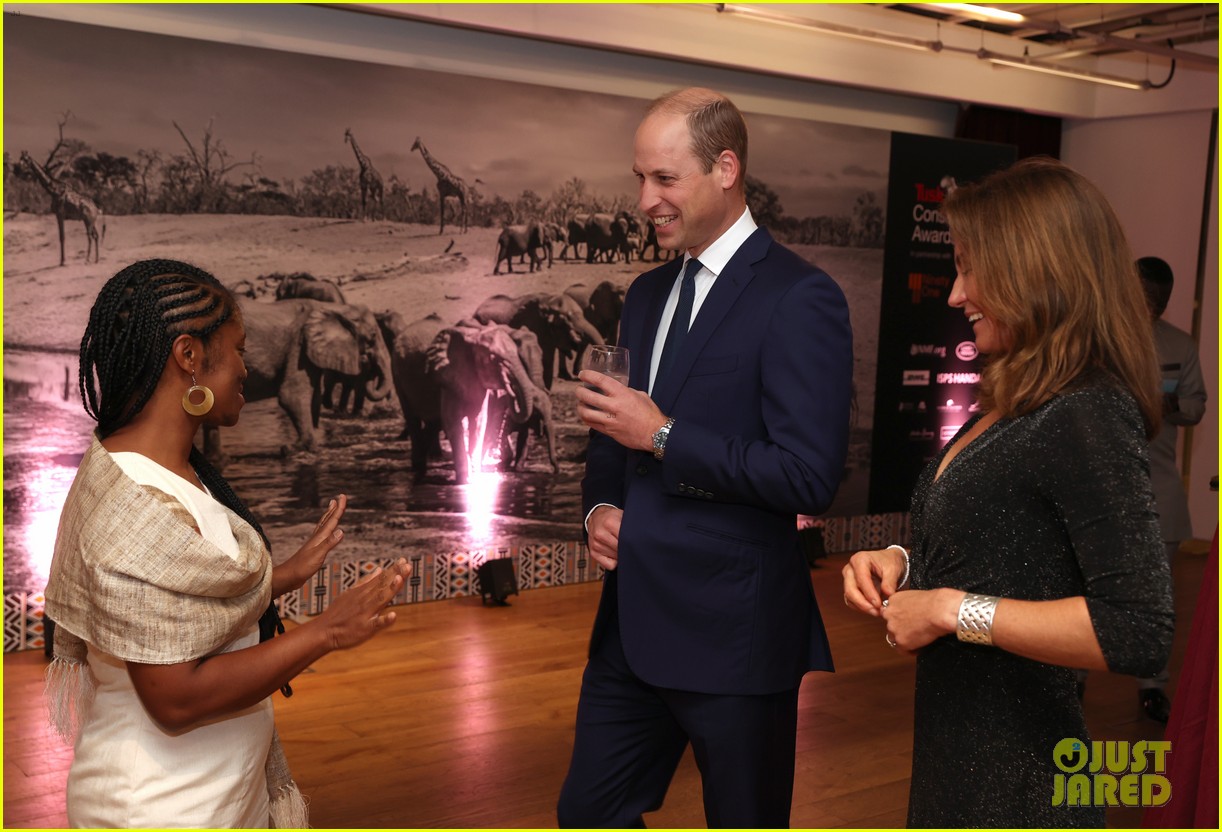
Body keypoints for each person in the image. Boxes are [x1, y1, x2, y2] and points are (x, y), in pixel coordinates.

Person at [842, 157, 1175, 828]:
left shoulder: (1087, 409)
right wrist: (905, 565)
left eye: (969, 268)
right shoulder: (1016, 397)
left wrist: (944, 610)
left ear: (1036, 270)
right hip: (958, 758)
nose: (955, 294)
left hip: (1025, 782)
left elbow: (1139, 628)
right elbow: (1014, 551)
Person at [556, 87, 853, 828]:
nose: (645, 199)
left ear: (726, 168)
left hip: (735, 639)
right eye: (639, 179)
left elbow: (809, 474)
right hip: (630, 633)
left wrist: (663, 435)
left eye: (664, 179)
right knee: (587, 814)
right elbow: (609, 433)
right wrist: (600, 508)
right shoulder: (648, 293)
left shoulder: (800, 297)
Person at [44, 259, 412, 828]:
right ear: (189, 357)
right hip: (159, 808)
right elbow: (175, 697)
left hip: (216, 793)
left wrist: (280, 576)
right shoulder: (135, 500)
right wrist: (328, 632)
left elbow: (185, 603)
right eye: (237, 349)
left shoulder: (171, 471)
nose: (246, 367)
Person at [1134, 255, 1208, 720]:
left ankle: (1151, 687)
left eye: (1162, 298)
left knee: (1157, 598)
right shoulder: (1098, 340)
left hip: (1159, 491)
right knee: (1081, 592)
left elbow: (1197, 405)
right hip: (1099, 490)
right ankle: (1070, 682)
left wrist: (1170, 401)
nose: (1155, 305)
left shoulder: (1181, 344)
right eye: (1146, 295)